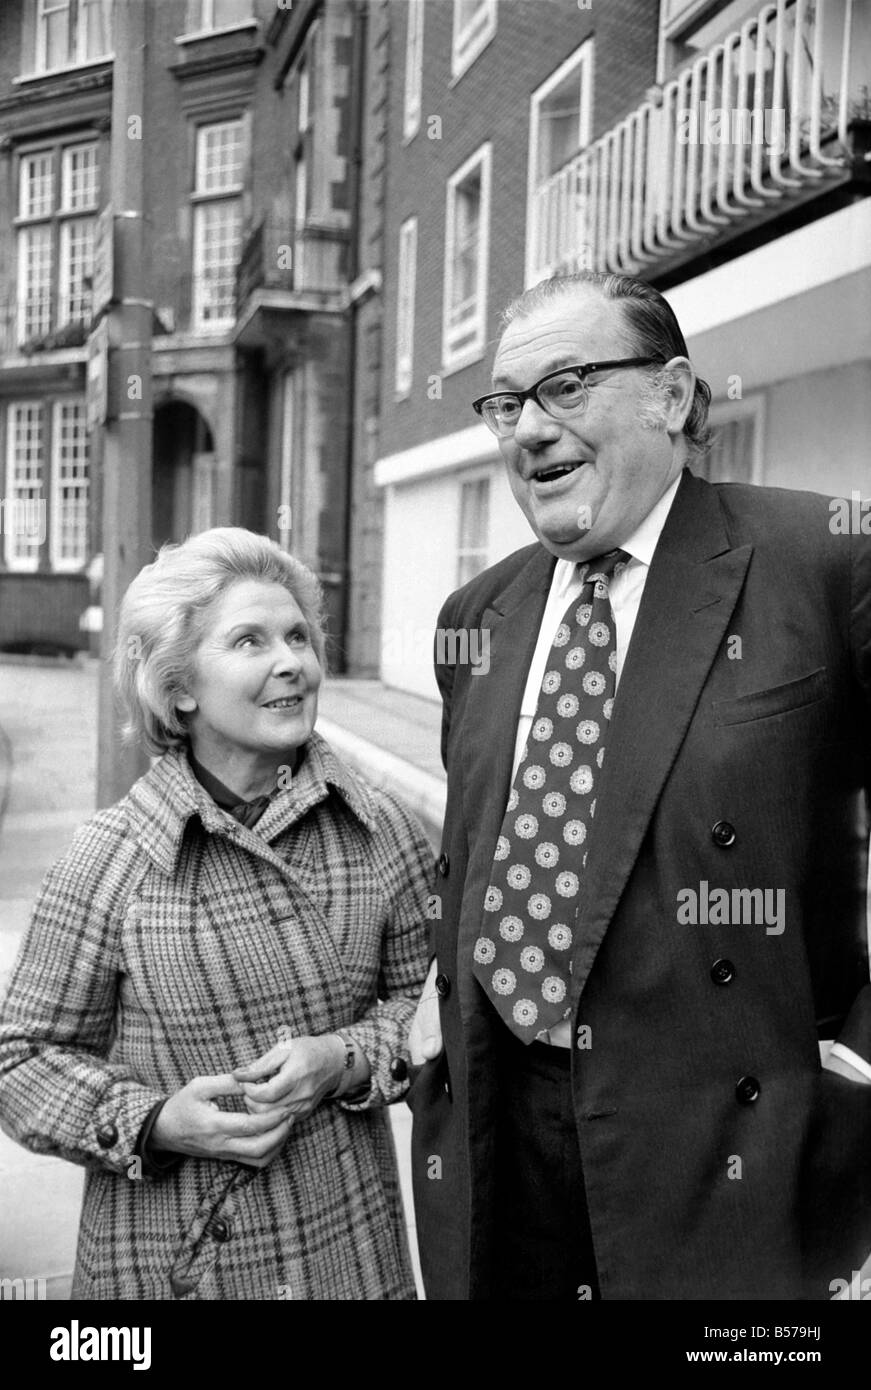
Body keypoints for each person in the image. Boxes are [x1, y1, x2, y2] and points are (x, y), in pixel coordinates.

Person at [407, 270, 871, 1301]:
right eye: (505, 404)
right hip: (503, 1133)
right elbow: (475, 853)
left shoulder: (827, 559)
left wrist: (858, 1066)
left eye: (566, 386)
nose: (530, 429)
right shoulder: (474, 617)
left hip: (734, 1151)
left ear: (670, 394)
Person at [0, 527, 430, 1300]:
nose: (291, 661)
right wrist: (158, 1120)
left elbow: (431, 1011)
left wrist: (343, 1058)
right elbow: (20, 1060)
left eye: (298, 636)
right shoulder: (112, 855)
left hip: (350, 1255)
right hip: (175, 1266)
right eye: (249, 640)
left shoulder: (379, 828)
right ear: (179, 687)